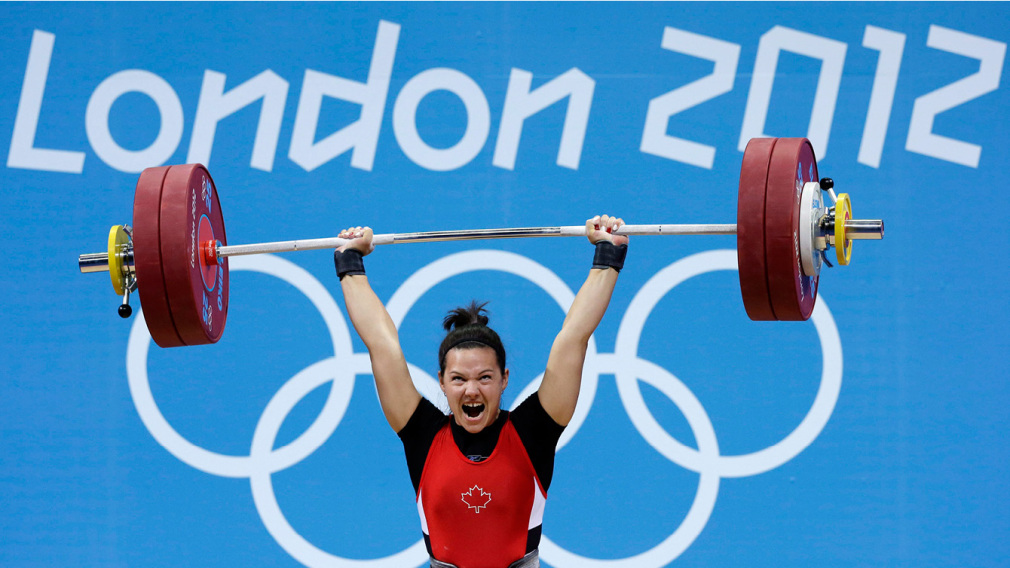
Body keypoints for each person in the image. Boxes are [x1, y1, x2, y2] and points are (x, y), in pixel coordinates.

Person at [332, 215, 628, 568]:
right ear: (441, 382)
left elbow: (573, 338)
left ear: (504, 379)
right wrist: (350, 260)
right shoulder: (422, 435)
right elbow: (382, 345)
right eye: (459, 379)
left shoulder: (533, 431)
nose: (471, 390)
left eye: (484, 377)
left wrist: (608, 255)